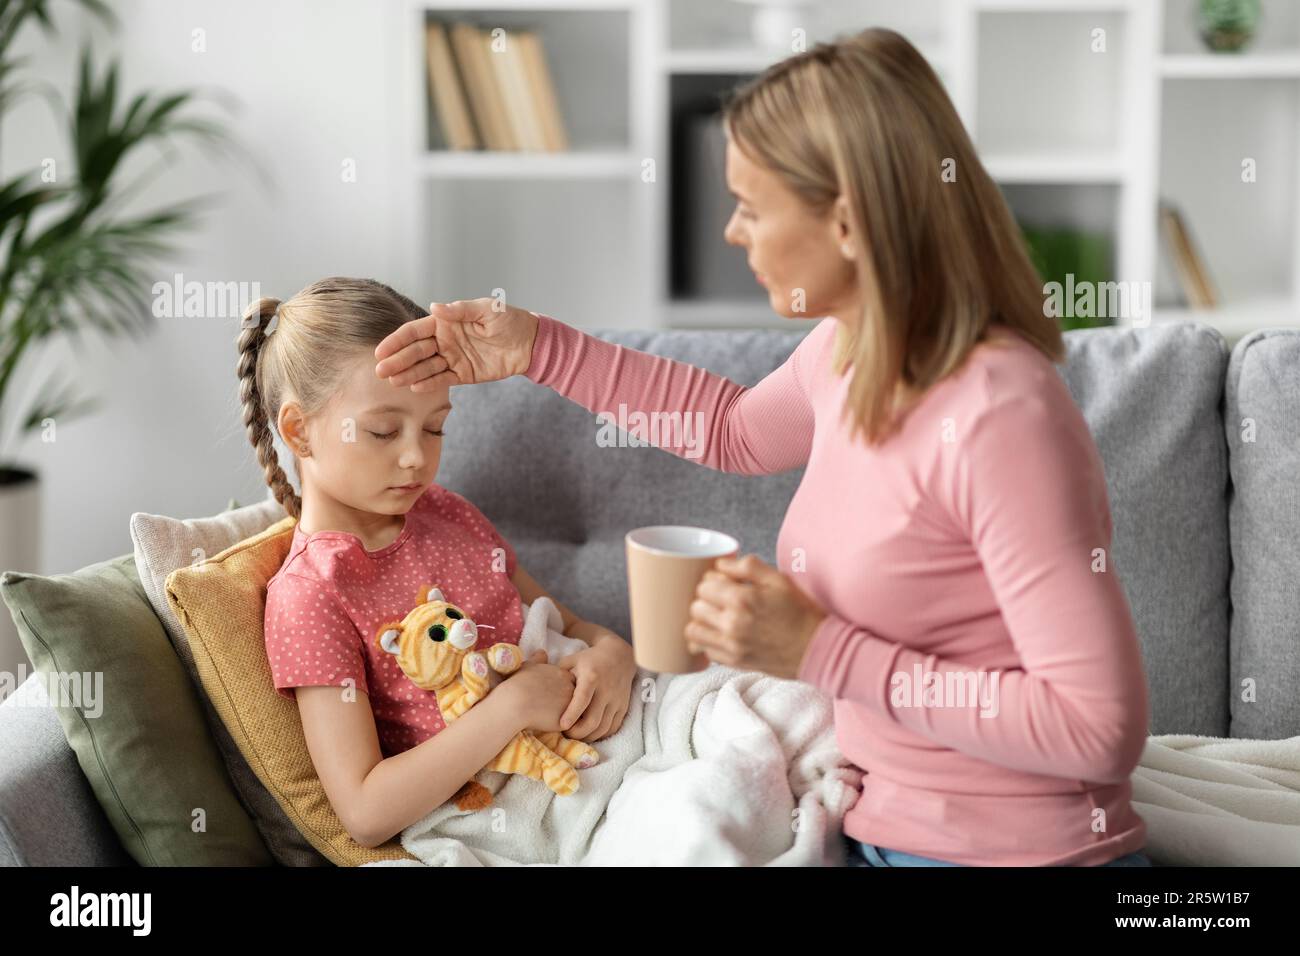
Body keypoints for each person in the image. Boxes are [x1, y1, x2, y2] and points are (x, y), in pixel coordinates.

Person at [372, 29, 1153, 866]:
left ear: (846, 221)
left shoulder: (1002, 414)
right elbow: (731, 429)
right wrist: (538, 349)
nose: (733, 233)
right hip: (874, 826)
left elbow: (1097, 728)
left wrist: (819, 651)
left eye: (751, 204)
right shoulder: (846, 350)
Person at [237, 277, 636, 849]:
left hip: (596, 742)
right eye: (382, 430)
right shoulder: (312, 595)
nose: (415, 457)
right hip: (509, 798)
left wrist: (614, 655)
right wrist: (510, 708)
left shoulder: (447, 512)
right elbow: (366, 811)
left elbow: (569, 626)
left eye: (435, 427)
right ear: (300, 431)